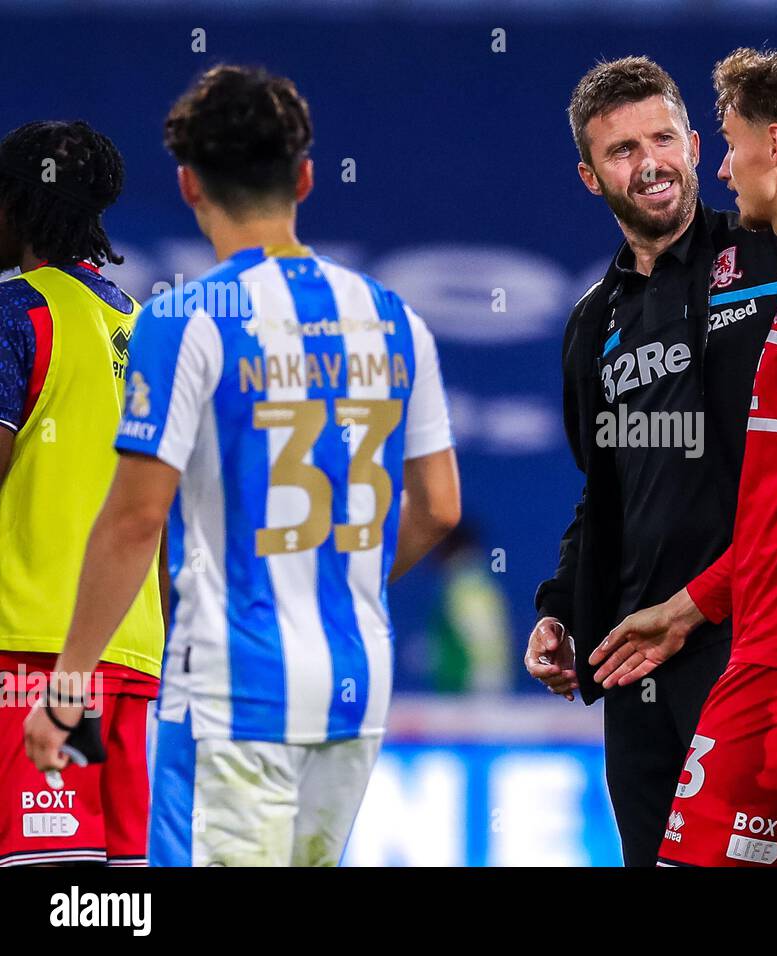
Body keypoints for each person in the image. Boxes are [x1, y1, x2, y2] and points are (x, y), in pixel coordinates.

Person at [23, 65, 462, 867]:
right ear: (305, 176)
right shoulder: (394, 317)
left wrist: (68, 682)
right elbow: (439, 508)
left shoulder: (183, 317)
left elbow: (137, 517)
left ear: (189, 186)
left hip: (233, 687)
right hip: (353, 685)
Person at [525, 55, 777, 866]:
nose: (651, 162)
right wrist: (566, 609)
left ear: (691, 142)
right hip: (643, 646)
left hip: (763, 632)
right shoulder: (593, 323)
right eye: (622, 151)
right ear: (590, 176)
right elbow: (603, 490)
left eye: (666, 138)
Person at [0, 120, 164, 868]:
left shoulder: (18, 315)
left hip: (29, 660)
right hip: (131, 663)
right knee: (108, 908)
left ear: (16, 206)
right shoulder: (143, 328)